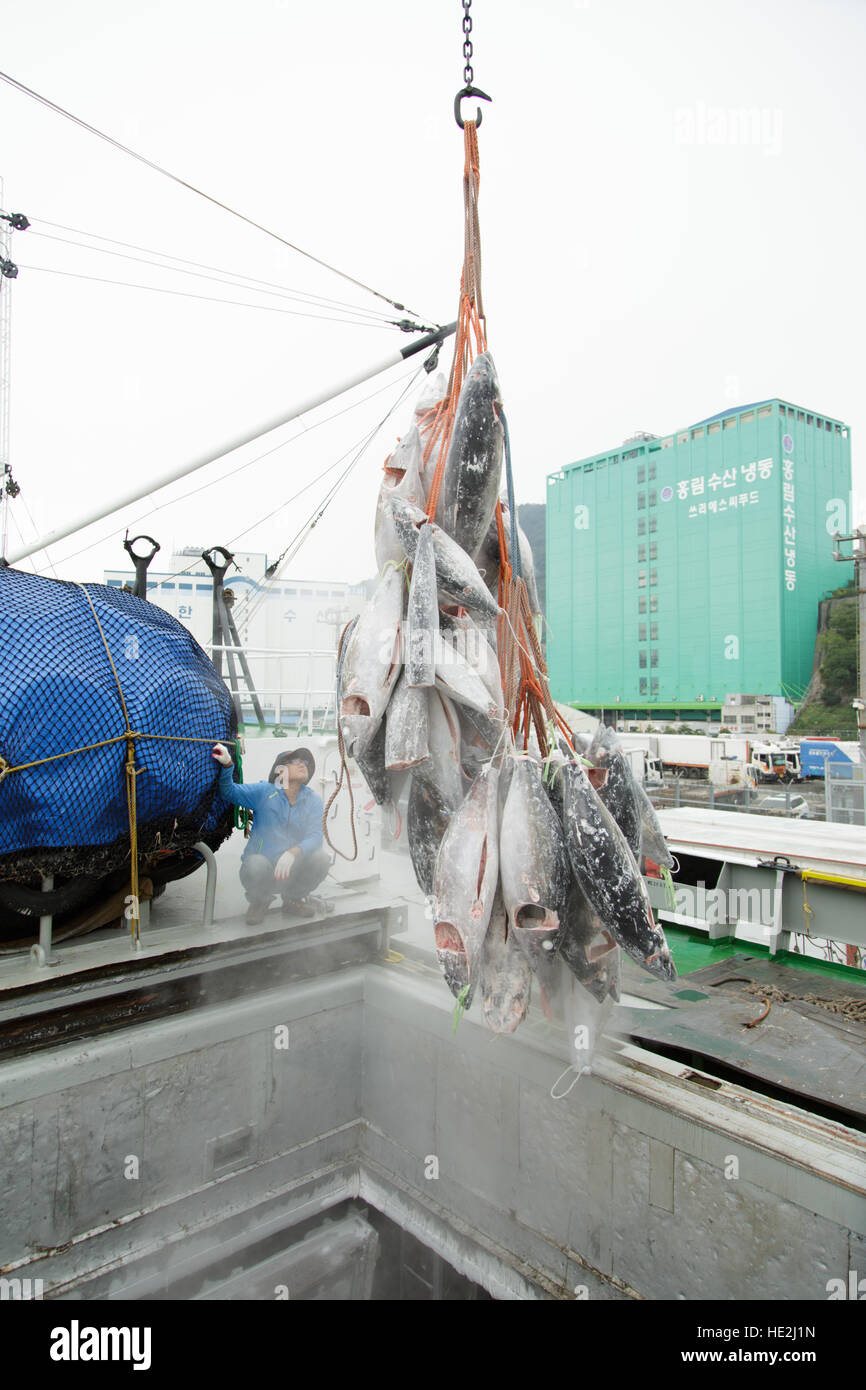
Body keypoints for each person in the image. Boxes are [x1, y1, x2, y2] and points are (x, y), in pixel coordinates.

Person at [212, 742, 330, 926]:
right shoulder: (264, 792)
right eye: (295, 761)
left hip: (294, 870)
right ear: (280, 771)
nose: (303, 764)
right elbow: (228, 792)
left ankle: (293, 900)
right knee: (254, 864)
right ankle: (260, 901)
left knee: (321, 858)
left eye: (305, 762)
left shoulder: (313, 799)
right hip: (265, 870)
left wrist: (293, 853)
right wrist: (228, 765)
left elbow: (315, 837)